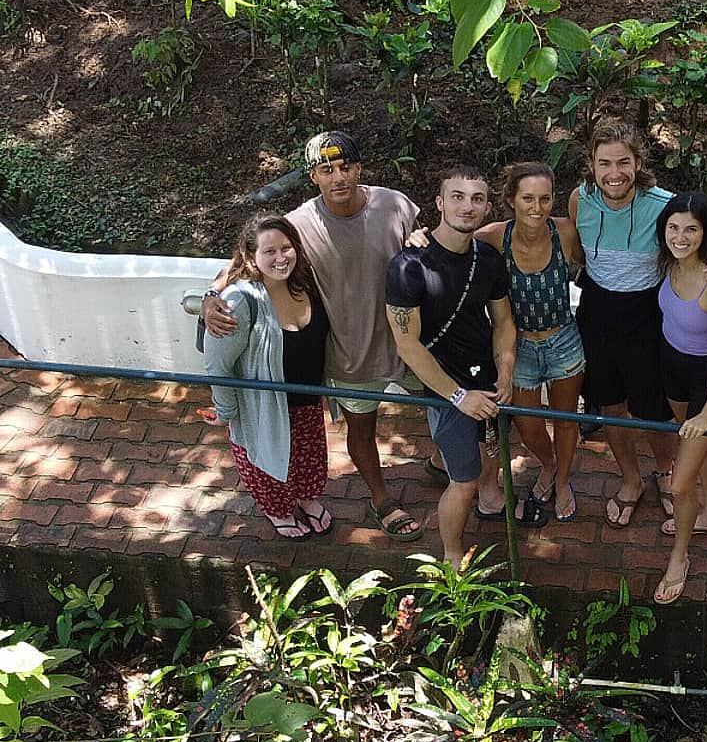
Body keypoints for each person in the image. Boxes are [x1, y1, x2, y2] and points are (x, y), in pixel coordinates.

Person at [202, 131, 426, 540]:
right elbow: (249, 255)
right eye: (327, 170)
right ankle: (381, 500)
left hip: (413, 343)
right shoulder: (300, 224)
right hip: (352, 353)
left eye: (345, 168)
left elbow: (425, 239)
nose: (338, 177)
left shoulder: (393, 204)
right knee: (362, 429)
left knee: (448, 406)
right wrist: (212, 294)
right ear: (313, 176)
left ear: (358, 168)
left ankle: (453, 468)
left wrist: (420, 243)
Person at [567, 120, 707, 528]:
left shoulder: (662, 203)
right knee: (611, 406)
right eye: (604, 163)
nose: (614, 173)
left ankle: (664, 473)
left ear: (638, 162)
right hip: (597, 313)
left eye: (623, 162)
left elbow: (704, 233)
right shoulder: (580, 200)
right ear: (591, 164)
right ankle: (629, 480)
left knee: (654, 409)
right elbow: (574, 250)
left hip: (648, 316)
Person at [385, 165, 548, 569]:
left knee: (493, 448)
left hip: (488, 381)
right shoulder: (409, 267)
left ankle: (492, 501)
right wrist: (458, 396)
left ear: (488, 206)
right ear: (439, 202)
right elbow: (408, 344)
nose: (467, 206)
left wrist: (505, 371)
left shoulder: (488, 259)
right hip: (446, 391)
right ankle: (451, 555)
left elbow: (504, 322)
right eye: (456, 196)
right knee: (463, 480)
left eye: (477, 198)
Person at [201, 213, 332, 539]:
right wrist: (226, 410)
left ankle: (308, 499)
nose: (280, 258)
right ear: (250, 257)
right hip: (263, 406)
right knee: (269, 464)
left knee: (309, 458)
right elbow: (218, 364)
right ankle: (279, 511)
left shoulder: (306, 283)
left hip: (307, 399)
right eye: (269, 251)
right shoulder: (240, 301)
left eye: (286, 248)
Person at [475, 162, 586, 522]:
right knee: (527, 423)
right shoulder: (495, 236)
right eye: (527, 199)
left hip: (563, 341)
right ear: (511, 200)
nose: (537, 207)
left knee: (566, 420)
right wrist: (418, 239)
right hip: (518, 346)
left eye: (544, 198)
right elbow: (451, 243)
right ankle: (549, 464)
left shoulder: (566, 232)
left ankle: (565, 479)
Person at [651, 193, 707, 605]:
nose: (680, 236)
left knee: (679, 482)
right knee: (702, 450)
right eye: (673, 227)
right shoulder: (667, 262)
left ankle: (679, 557)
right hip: (672, 369)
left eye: (691, 228)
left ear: (706, 232)